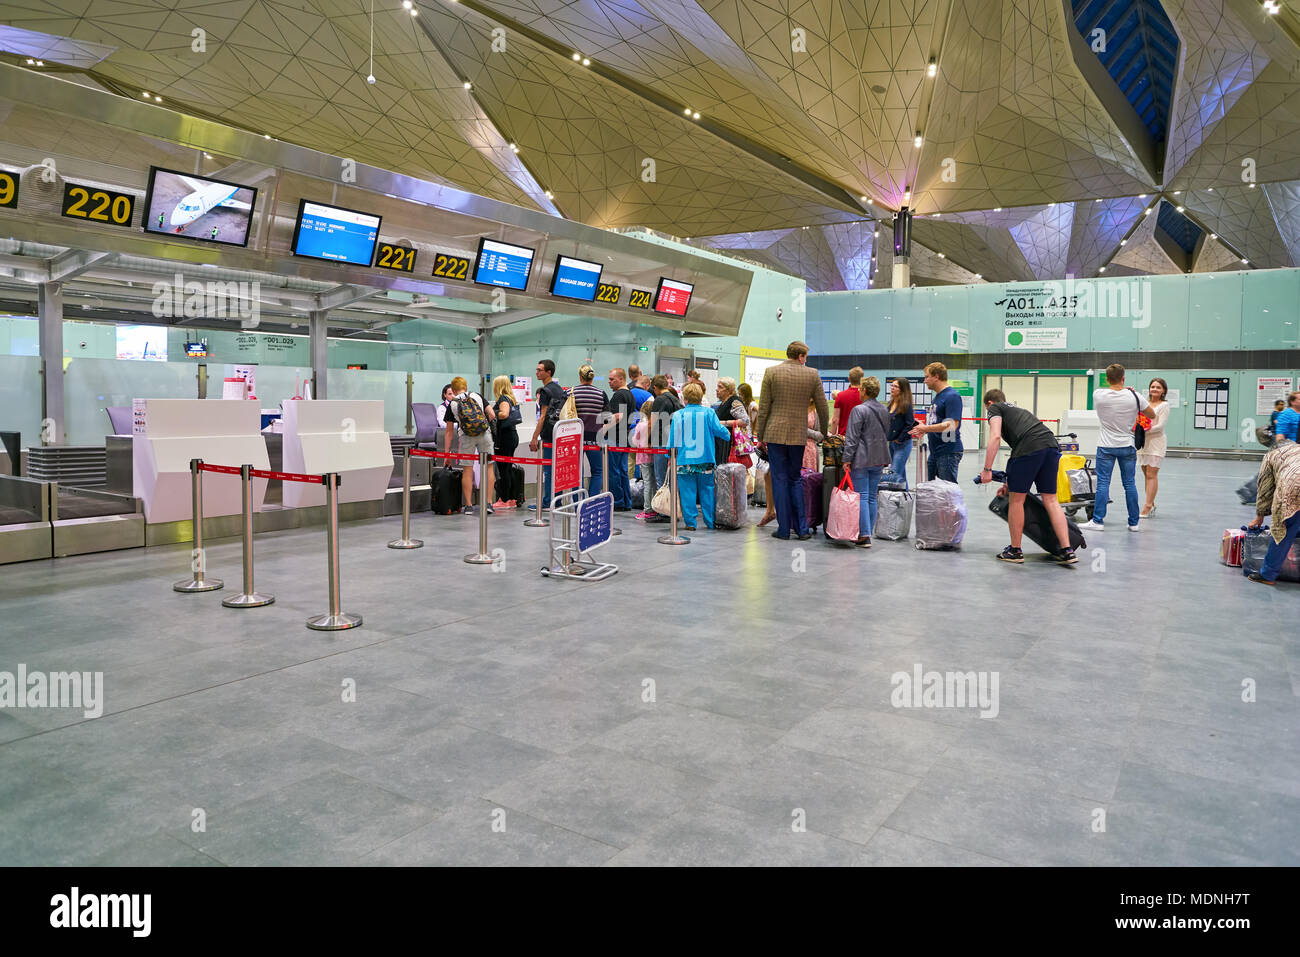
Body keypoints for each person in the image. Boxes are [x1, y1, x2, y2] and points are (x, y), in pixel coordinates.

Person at [980, 390, 1077, 564]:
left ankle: (1015, 551)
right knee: (1051, 500)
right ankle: (1067, 550)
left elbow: (995, 436)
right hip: (1050, 446)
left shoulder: (994, 409)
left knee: (1017, 500)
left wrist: (987, 469)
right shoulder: (1018, 411)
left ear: (988, 403)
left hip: (1029, 447)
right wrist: (1010, 483)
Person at [753, 340, 829, 541]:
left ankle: (784, 529)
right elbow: (823, 406)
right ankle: (802, 529)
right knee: (795, 478)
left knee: (779, 479)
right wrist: (824, 432)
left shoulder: (771, 372)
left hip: (775, 434)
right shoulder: (812, 374)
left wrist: (760, 436)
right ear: (801, 356)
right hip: (798, 435)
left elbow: (763, 408)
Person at [1079, 363, 1157, 533]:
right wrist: (1131, 394)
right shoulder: (1135, 396)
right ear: (1124, 378)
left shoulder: (1098, 394)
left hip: (1106, 446)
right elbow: (1152, 414)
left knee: (1103, 483)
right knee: (1129, 484)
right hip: (1127, 446)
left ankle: (1097, 521)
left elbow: (1108, 391)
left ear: (1106, 379)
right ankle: (1133, 523)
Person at [668, 382, 732, 530]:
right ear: (701, 396)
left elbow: (673, 438)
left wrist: (669, 457)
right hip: (706, 460)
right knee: (707, 492)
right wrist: (727, 435)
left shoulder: (678, 415)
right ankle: (709, 522)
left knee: (687, 492)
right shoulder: (709, 413)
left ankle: (690, 523)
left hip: (685, 460)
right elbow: (720, 430)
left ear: (685, 398)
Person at [842, 377, 892, 548]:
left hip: (861, 459)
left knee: (862, 495)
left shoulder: (859, 410)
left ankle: (864, 535)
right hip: (879, 458)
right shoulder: (884, 410)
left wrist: (846, 458)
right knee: (871, 496)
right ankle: (868, 531)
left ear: (863, 390)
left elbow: (852, 437)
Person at [1245, 440, 1300, 585]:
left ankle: (1268, 574)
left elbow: (1265, 490)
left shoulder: (1270, 456)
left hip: (1294, 485)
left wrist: (1259, 517)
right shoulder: (1296, 449)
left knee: (1283, 529)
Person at [445, 376, 496, 515]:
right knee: (489, 468)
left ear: (454, 390)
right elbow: (491, 414)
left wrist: (447, 453)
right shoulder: (477, 396)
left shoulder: (452, 404)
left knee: (467, 470)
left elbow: (449, 431)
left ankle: (468, 506)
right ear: (466, 387)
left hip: (466, 437)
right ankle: (489, 503)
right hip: (484, 434)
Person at [909, 362, 963, 483]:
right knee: (934, 493)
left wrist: (926, 428)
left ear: (936, 377)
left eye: (927, 377)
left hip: (947, 451)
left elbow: (952, 425)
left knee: (947, 492)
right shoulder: (938, 397)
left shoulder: (952, 396)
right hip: (935, 452)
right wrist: (923, 429)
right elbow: (937, 422)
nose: (925, 381)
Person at [528, 359, 566, 509]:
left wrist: (533, 437)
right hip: (559, 432)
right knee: (558, 469)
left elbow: (542, 416)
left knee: (549, 470)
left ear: (548, 372)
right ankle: (557, 499)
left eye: (540, 370)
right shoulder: (559, 389)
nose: (537, 372)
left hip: (549, 435)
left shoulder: (545, 391)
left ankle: (547, 501)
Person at [645, 374, 682, 522]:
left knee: (661, 477)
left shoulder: (659, 400)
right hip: (673, 442)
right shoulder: (675, 399)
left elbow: (652, 422)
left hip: (660, 441)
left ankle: (663, 512)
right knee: (672, 477)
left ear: (655, 387)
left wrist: (647, 439)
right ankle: (672, 509)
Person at [571, 365, 608, 497]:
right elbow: (606, 418)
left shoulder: (571, 392)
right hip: (595, 438)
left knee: (576, 473)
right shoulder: (601, 393)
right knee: (597, 471)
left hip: (576, 438)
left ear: (580, 377)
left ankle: (577, 506)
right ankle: (592, 502)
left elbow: (561, 415)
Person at [1138, 377, 1170, 518]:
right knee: (1146, 474)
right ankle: (1151, 502)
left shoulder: (1164, 405)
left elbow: (1160, 426)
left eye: (1158, 387)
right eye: (1153, 387)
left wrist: (1144, 430)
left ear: (1163, 391)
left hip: (1156, 443)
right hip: (1143, 443)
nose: (1155, 389)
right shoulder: (1145, 404)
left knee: (1152, 474)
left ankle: (1147, 506)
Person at [490, 375, 521, 509]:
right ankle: (512, 498)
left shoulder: (503, 399)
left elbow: (504, 414)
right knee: (507, 468)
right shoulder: (511, 398)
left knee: (504, 469)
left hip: (505, 437)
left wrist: (492, 412)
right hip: (511, 436)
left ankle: (505, 499)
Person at [606, 367, 635, 510]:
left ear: (622, 379)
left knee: (614, 472)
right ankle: (626, 501)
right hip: (625, 437)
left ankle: (617, 502)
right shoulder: (630, 395)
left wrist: (603, 428)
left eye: (612, 379)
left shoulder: (618, 395)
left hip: (615, 437)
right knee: (622, 470)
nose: (609, 382)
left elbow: (618, 416)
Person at [713, 377, 750, 465]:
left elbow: (745, 421)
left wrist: (723, 423)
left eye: (720, 387)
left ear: (728, 390)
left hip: (730, 444)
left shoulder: (734, 402)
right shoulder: (723, 402)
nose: (716, 389)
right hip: (723, 442)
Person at [632, 398, 656, 520]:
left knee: (647, 483)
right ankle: (656, 507)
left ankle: (647, 509)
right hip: (655, 457)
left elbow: (634, 441)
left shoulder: (640, 425)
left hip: (643, 458)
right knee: (655, 483)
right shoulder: (655, 425)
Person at [887, 377, 914, 486]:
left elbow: (910, 424)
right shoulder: (891, 403)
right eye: (892, 385)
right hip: (892, 443)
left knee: (894, 473)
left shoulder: (906, 405)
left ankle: (892, 500)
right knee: (901, 475)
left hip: (902, 444)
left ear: (902, 389)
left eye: (896, 386)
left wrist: (900, 438)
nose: (892, 388)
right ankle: (905, 499)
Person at [829, 367, 864, 436]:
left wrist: (832, 436)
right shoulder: (865, 396)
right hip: (861, 438)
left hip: (844, 437)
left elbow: (835, 420)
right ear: (862, 380)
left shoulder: (840, 396)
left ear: (849, 379)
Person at [803, 398, 823, 470]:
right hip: (796, 447)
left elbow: (820, 435)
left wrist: (802, 430)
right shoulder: (796, 409)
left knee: (810, 477)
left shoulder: (816, 412)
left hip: (811, 449)